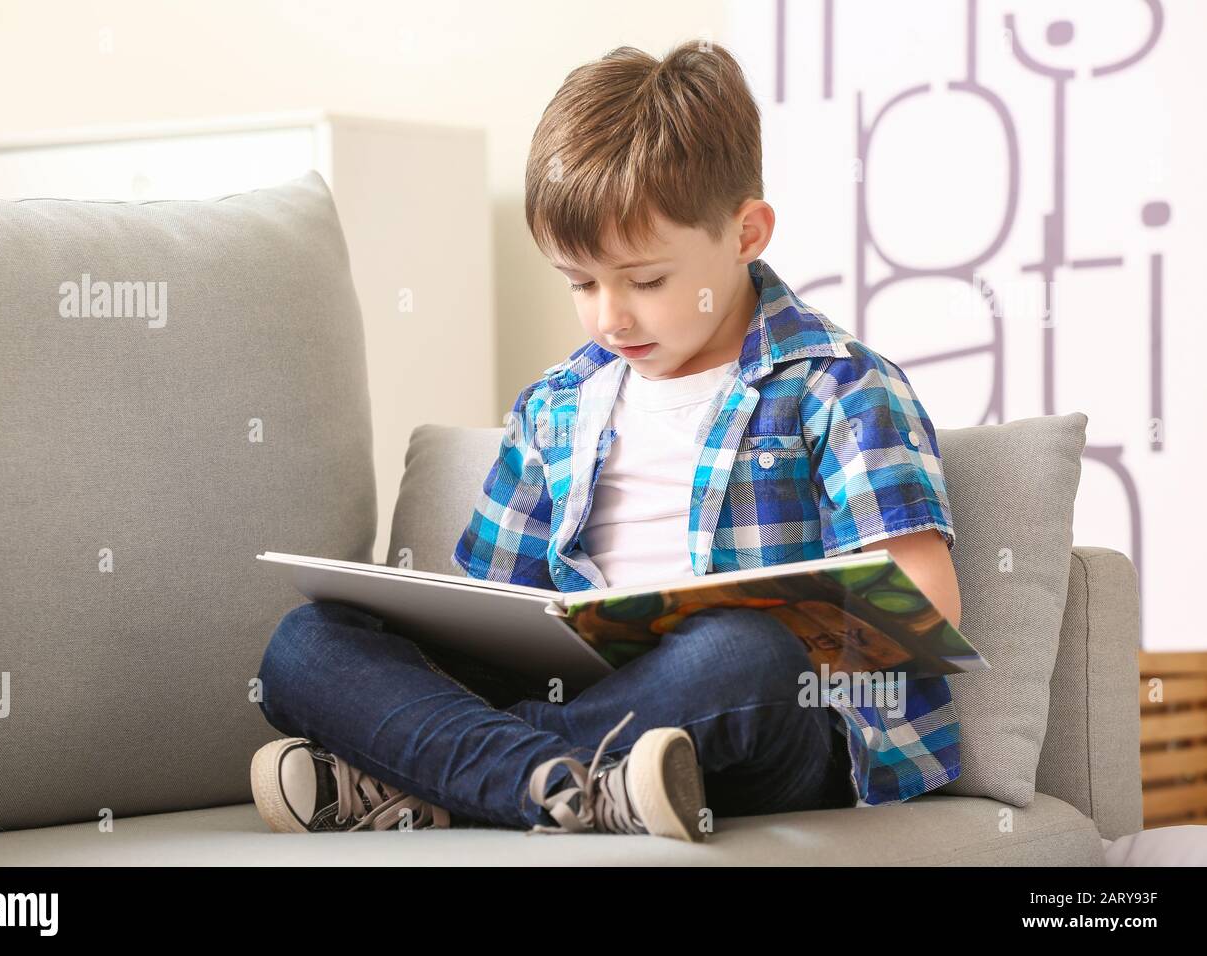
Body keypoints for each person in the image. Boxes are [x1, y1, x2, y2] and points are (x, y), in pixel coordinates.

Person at [251, 39, 962, 841]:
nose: (609, 317)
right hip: (573, 690)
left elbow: (921, 616)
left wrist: (734, 628)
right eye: (581, 283)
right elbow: (483, 613)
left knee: (744, 655)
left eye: (647, 281)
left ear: (746, 232)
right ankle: (565, 785)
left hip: (760, 724)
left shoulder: (841, 387)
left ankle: (442, 776)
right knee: (306, 644)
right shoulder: (556, 407)